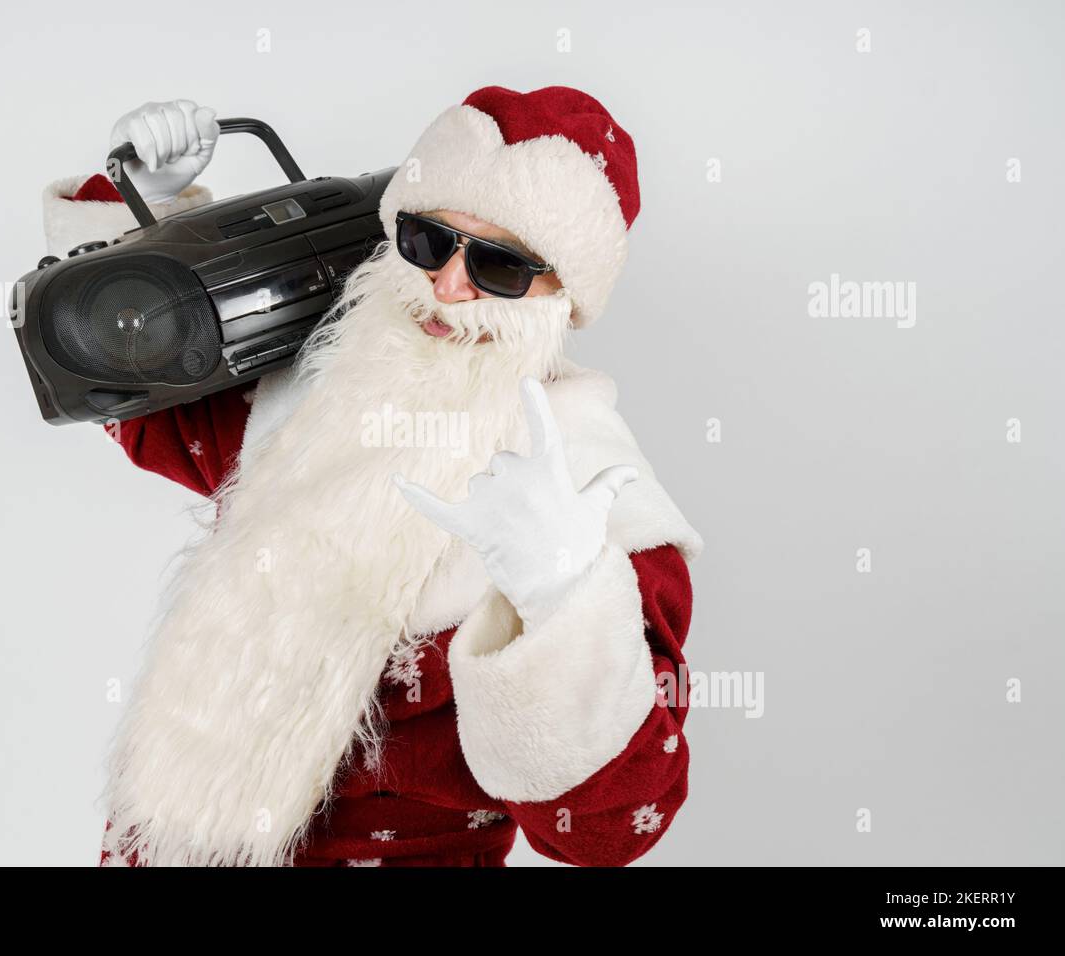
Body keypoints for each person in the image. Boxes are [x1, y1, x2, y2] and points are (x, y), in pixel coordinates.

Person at [40, 87, 703, 867]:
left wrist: (561, 599)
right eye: (428, 242)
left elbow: (610, 828)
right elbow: (140, 410)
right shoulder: (324, 386)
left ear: (565, 297)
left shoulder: (591, 483)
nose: (448, 287)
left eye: (499, 265)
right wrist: (139, 210)